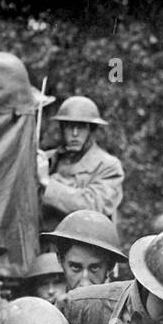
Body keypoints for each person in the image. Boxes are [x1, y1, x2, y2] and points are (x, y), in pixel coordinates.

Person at [38, 95, 125, 227]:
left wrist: (46, 183)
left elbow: (93, 207)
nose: (74, 134)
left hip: (85, 242)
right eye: (69, 127)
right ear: (62, 129)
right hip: (44, 241)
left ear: (91, 129)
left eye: (81, 127)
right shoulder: (47, 160)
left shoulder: (109, 166)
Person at [42, 210, 127, 295]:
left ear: (110, 266)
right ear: (60, 259)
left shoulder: (123, 306)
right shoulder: (48, 306)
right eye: (75, 268)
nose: (85, 284)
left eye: (94, 268)